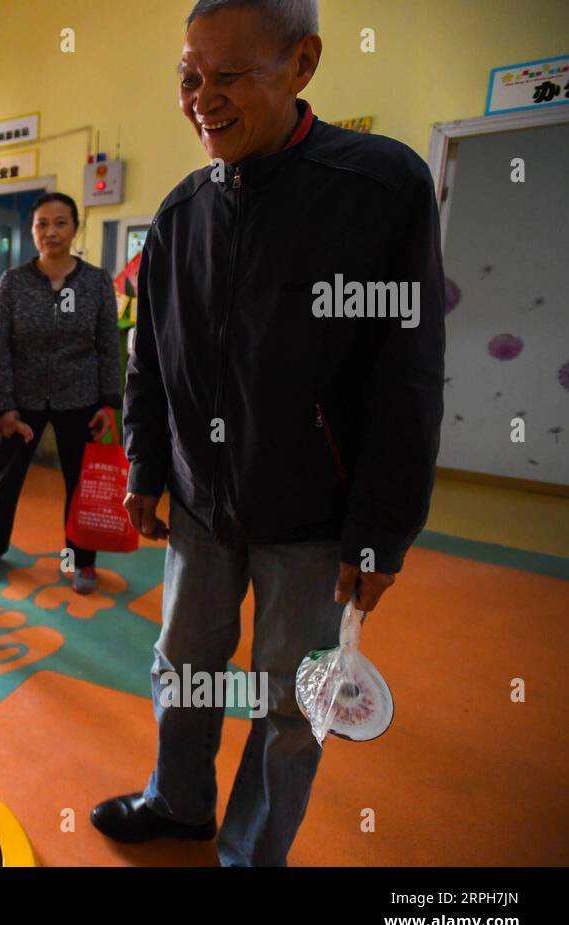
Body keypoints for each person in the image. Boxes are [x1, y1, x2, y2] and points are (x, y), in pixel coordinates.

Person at [92, 0, 445, 866]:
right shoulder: (178, 217)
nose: (201, 97)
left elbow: (411, 371)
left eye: (228, 76)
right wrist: (145, 463)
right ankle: (178, 802)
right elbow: (149, 359)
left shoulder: (381, 188)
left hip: (316, 517)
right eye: (188, 75)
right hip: (202, 508)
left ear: (303, 63)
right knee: (184, 668)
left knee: (290, 702)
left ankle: (251, 853)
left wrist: (383, 529)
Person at [0, 192, 123, 594]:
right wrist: (3, 405)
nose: (51, 232)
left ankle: (82, 559)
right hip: (23, 399)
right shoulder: (14, 282)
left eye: (60, 223)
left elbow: (109, 343)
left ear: (75, 228)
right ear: (32, 231)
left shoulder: (95, 281)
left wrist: (109, 402)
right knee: (6, 479)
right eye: (42, 224)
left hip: (82, 398)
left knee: (81, 483)